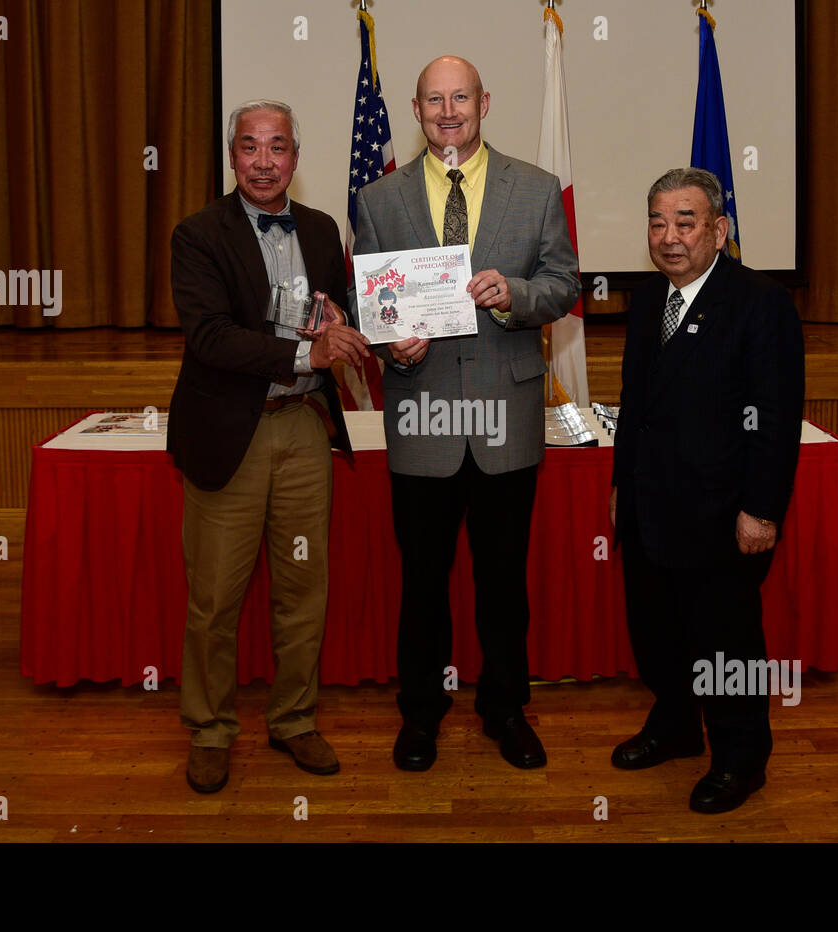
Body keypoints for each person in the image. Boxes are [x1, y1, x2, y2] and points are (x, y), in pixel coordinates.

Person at [352, 56, 580, 771]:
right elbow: (374, 309)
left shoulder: (538, 190)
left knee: (503, 583)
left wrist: (513, 293)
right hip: (420, 418)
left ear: (485, 102)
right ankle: (420, 715)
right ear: (416, 110)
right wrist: (397, 349)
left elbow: (564, 284)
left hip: (505, 418)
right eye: (433, 100)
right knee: (422, 583)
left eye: (461, 98)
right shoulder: (379, 198)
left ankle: (505, 708)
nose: (448, 111)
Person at [168, 99, 371, 793]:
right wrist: (309, 354)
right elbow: (213, 338)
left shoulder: (319, 229)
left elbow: (330, 311)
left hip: (304, 433)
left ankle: (293, 719)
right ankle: (211, 728)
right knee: (216, 598)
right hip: (233, 434)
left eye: (276, 147)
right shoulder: (197, 235)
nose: (263, 160)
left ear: (294, 156)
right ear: (233, 157)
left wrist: (337, 321)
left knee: (302, 588)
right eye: (249, 147)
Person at [610, 167, 804, 813]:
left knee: (726, 645)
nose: (669, 237)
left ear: (718, 231)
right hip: (648, 507)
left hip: (723, 516)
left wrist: (762, 511)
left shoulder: (760, 304)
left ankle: (742, 759)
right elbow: (634, 404)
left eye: (686, 223)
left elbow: (775, 420)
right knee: (658, 634)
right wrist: (621, 488)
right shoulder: (648, 299)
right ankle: (673, 729)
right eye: (658, 222)